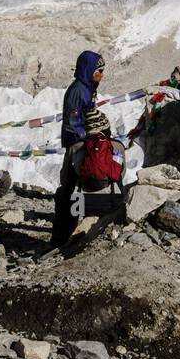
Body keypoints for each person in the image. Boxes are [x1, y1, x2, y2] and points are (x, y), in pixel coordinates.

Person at [51, 50, 104, 246]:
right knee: (69, 189)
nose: (101, 76)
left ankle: (72, 230)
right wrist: (88, 134)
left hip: (84, 146)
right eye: (98, 72)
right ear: (88, 71)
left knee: (78, 188)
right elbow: (73, 123)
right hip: (77, 147)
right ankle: (61, 236)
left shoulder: (87, 88)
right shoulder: (78, 91)